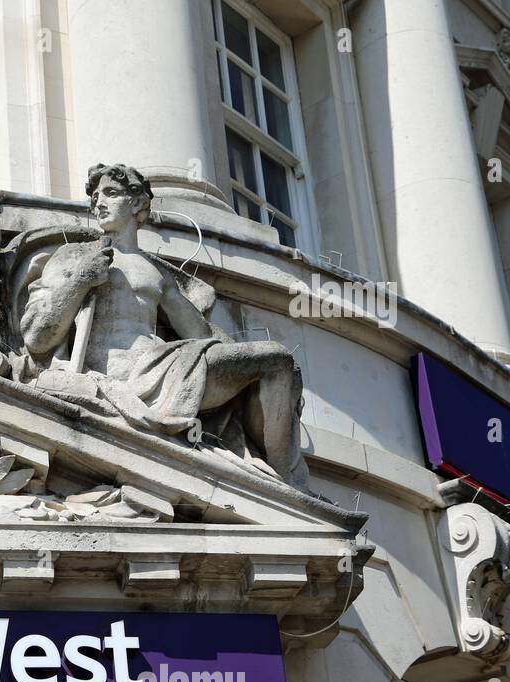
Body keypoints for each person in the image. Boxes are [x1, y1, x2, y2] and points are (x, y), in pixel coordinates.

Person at [18, 162, 309, 488]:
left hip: (166, 366)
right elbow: (37, 338)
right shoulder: (73, 257)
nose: (99, 202)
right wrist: (80, 280)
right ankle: (290, 491)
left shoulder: (156, 274)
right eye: (96, 197)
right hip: (116, 376)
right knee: (273, 361)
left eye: (111, 194)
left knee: (276, 362)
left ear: (138, 204)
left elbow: (200, 336)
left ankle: (290, 487)